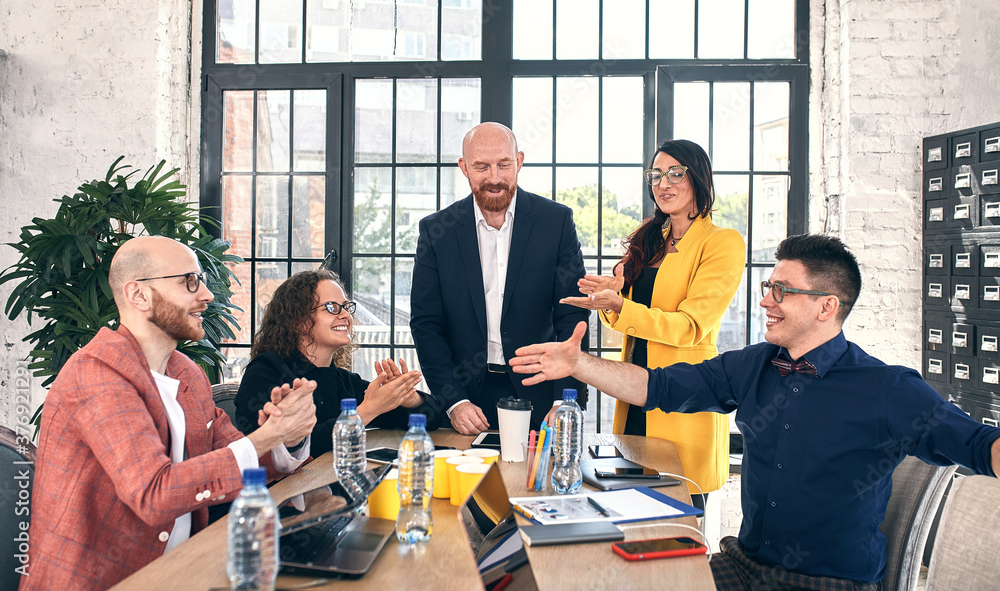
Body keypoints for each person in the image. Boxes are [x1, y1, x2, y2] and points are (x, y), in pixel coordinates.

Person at [511, 234, 1000, 590]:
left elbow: (980, 446)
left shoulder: (887, 388)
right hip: (745, 566)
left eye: (782, 290)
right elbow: (658, 386)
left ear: (827, 306)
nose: (765, 300)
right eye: (768, 286)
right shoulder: (755, 364)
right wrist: (579, 364)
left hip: (826, 584)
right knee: (626, 582)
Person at [23, 236, 318, 590]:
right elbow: (153, 493)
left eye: (202, 280)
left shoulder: (187, 374)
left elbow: (238, 457)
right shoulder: (96, 373)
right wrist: (269, 436)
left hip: (180, 573)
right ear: (139, 295)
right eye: (189, 281)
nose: (207, 295)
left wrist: (288, 432)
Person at [560, 139, 744, 507]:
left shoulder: (722, 242)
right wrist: (612, 297)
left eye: (676, 173)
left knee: (676, 520)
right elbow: (629, 313)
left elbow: (690, 327)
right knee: (628, 515)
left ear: (699, 178)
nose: (664, 184)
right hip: (634, 391)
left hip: (682, 398)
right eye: (656, 175)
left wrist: (622, 306)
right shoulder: (651, 239)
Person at [410, 121, 589, 435]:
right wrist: (454, 401)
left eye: (504, 165)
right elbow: (427, 324)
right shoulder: (436, 231)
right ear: (464, 168)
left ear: (519, 161)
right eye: (481, 167)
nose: (494, 178)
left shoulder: (556, 222)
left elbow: (571, 313)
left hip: (542, 394)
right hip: (467, 400)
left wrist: (565, 399)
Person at [235, 269, 442, 456]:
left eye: (346, 307)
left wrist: (407, 397)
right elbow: (291, 449)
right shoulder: (265, 371)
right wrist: (368, 410)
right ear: (298, 320)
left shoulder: (345, 381)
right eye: (332, 307)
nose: (346, 315)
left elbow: (432, 419)